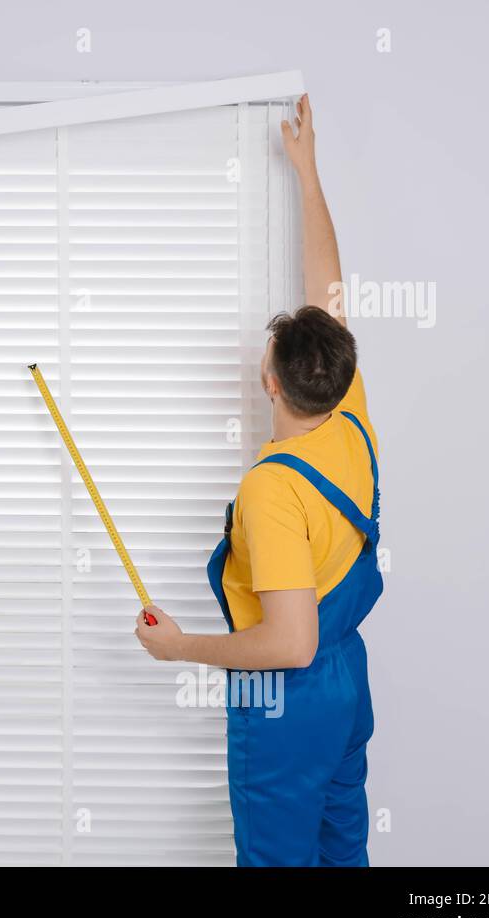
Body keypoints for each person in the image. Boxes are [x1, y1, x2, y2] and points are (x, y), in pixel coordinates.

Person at [134, 94, 383, 867]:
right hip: (348, 686)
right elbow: (330, 289)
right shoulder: (350, 417)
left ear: (270, 384)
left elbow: (290, 642)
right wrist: (307, 175)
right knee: (343, 852)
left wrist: (180, 650)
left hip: (291, 701)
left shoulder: (272, 490)